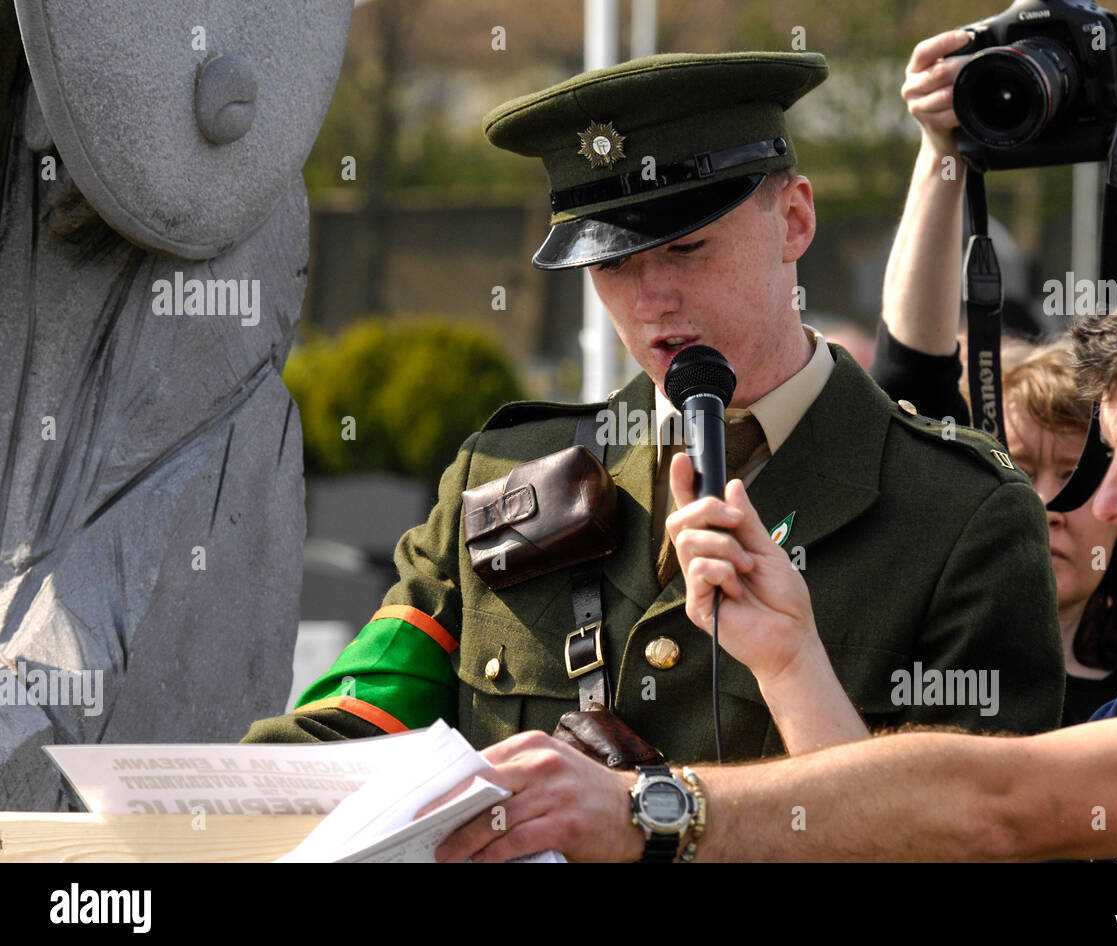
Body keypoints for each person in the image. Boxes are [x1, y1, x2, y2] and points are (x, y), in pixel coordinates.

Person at [244, 53, 1064, 787]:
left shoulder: (960, 516)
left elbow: (973, 833)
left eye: (686, 248)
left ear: (796, 220)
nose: (649, 300)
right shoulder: (503, 474)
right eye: (611, 264)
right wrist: (178, 806)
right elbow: (353, 726)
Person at [434, 229, 1117, 864]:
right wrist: (791, 663)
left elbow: (997, 809)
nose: (1108, 500)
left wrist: (645, 808)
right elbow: (923, 844)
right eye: (615, 261)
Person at [870, 29, 1117, 725]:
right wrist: (940, 153)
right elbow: (910, 368)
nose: (1047, 504)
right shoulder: (917, 669)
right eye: (1019, 465)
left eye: (1078, 471)